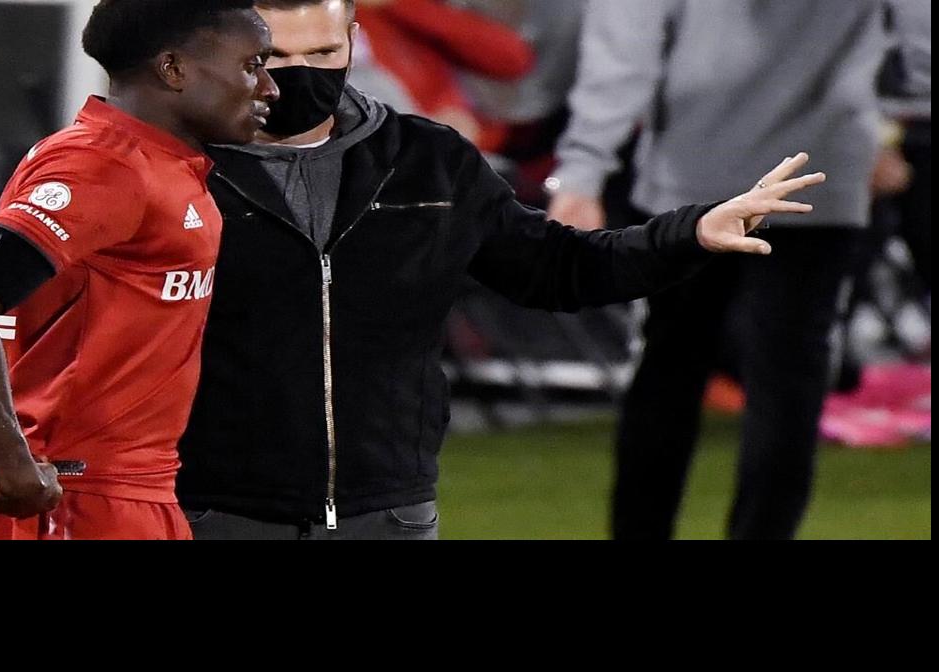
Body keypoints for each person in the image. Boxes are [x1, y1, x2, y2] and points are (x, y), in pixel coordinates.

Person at [175, 0, 824, 540]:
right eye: (277, 58)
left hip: (390, 512)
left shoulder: (427, 161)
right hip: (215, 510)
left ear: (352, 40)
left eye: (320, 54)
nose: (301, 75)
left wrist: (692, 232)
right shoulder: (168, 169)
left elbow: (559, 267)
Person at [0, 0, 279, 540]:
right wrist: (14, 467)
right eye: (252, 64)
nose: (269, 87)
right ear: (173, 68)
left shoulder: (158, 163)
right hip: (73, 498)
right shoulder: (104, 166)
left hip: (123, 490)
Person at [546, 0, 892, 540]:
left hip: (692, 181)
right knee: (788, 382)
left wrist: (583, 170)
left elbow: (624, 50)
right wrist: (888, 124)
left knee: (668, 370)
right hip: (820, 176)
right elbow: (920, 43)